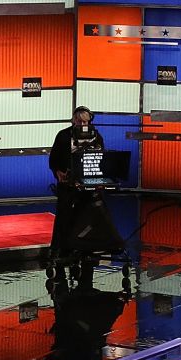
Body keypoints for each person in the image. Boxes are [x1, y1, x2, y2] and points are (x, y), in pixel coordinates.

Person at [48, 105, 105, 256]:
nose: (82, 125)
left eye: (85, 122)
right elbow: (53, 159)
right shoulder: (63, 135)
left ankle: (84, 247)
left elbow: (101, 159)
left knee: (87, 216)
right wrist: (58, 172)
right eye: (79, 122)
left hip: (88, 185)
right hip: (67, 185)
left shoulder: (96, 136)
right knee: (63, 217)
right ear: (74, 120)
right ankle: (59, 249)